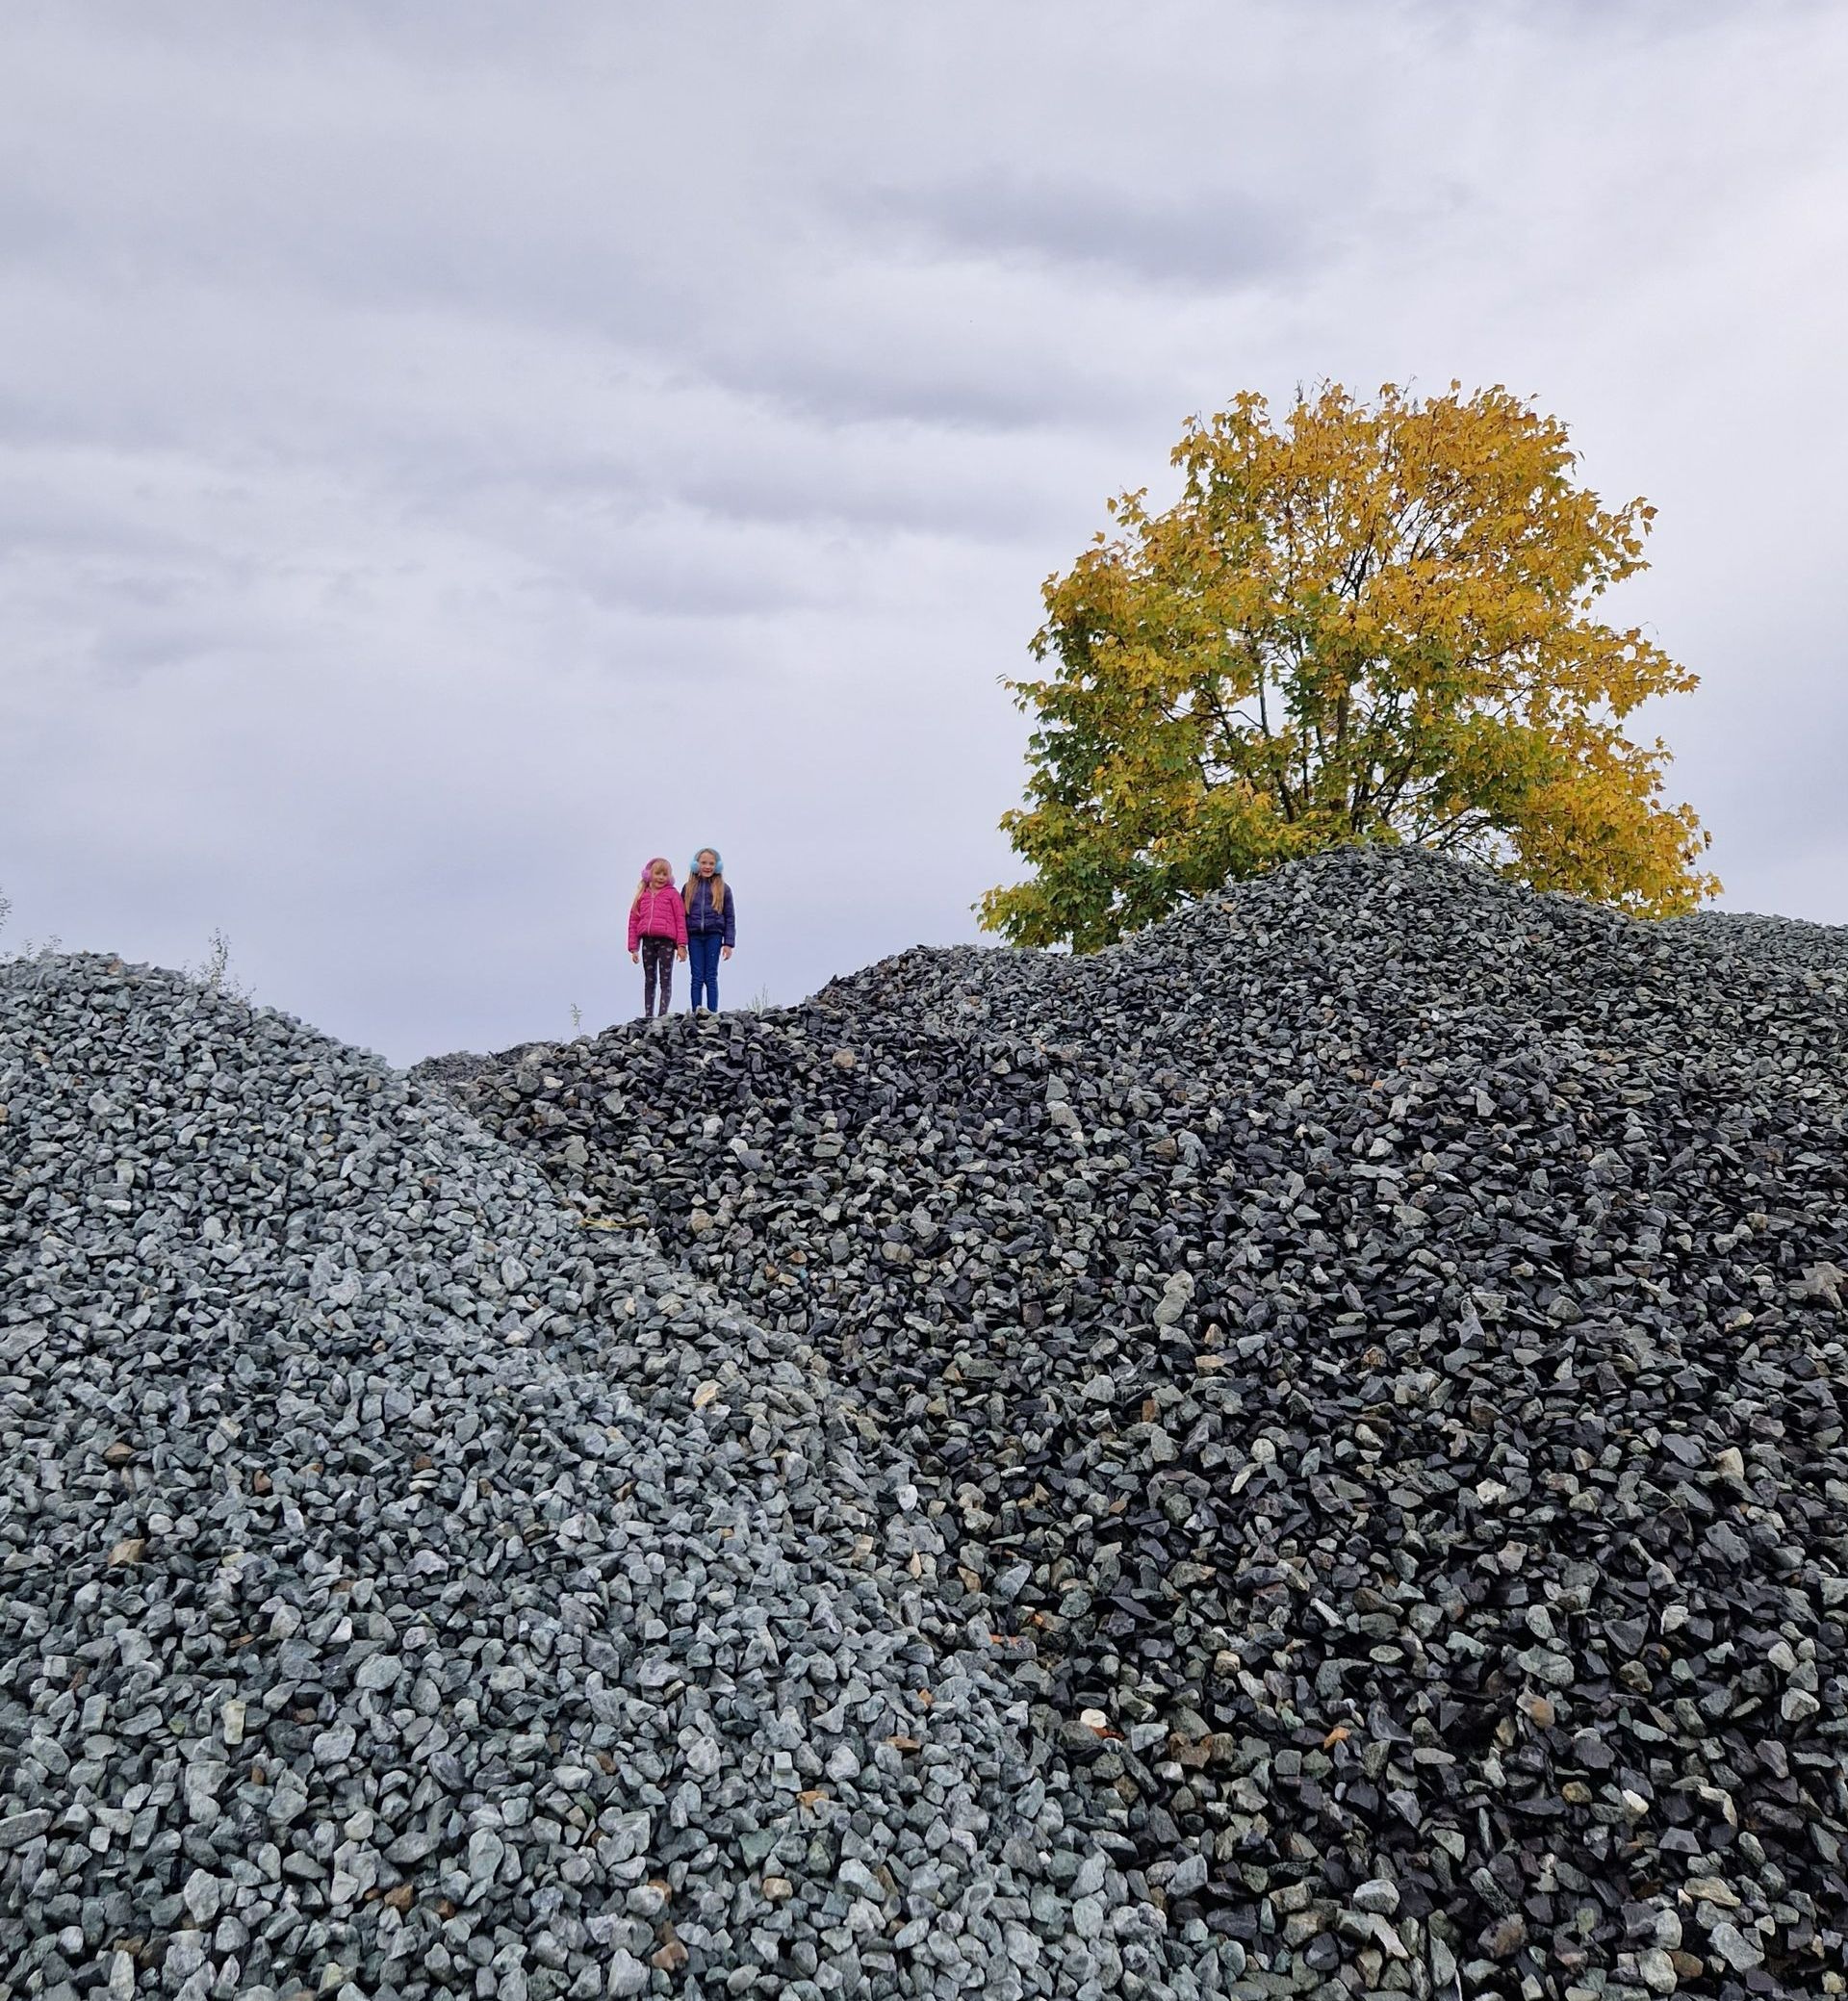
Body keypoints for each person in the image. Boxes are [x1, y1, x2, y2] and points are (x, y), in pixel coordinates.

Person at [628, 857, 686, 1019]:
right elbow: (633, 921)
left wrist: (681, 945)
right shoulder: (642, 896)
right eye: (658, 873)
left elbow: (680, 919)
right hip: (648, 941)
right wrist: (633, 948)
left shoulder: (673, 895)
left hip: (666, 942)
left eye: (665, 874)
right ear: (649, 875)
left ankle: (662, 1014)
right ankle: (648, 1015)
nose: (661, 877)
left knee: (665, 979)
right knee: (649, 978)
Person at [683, 846, 735, 1014]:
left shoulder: (724, 889)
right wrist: (681, 943)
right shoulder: (688, 888)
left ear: (717, 866)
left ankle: (712, 1012)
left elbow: (730, 917)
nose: (707, 866)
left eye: (711, 863)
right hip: (694, 937)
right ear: (696, 865)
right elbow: (681, 917)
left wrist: (728, 943)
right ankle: (696, 1011)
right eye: (704, 863)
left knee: (711, 977)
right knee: (697, 977)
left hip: (714, 936)